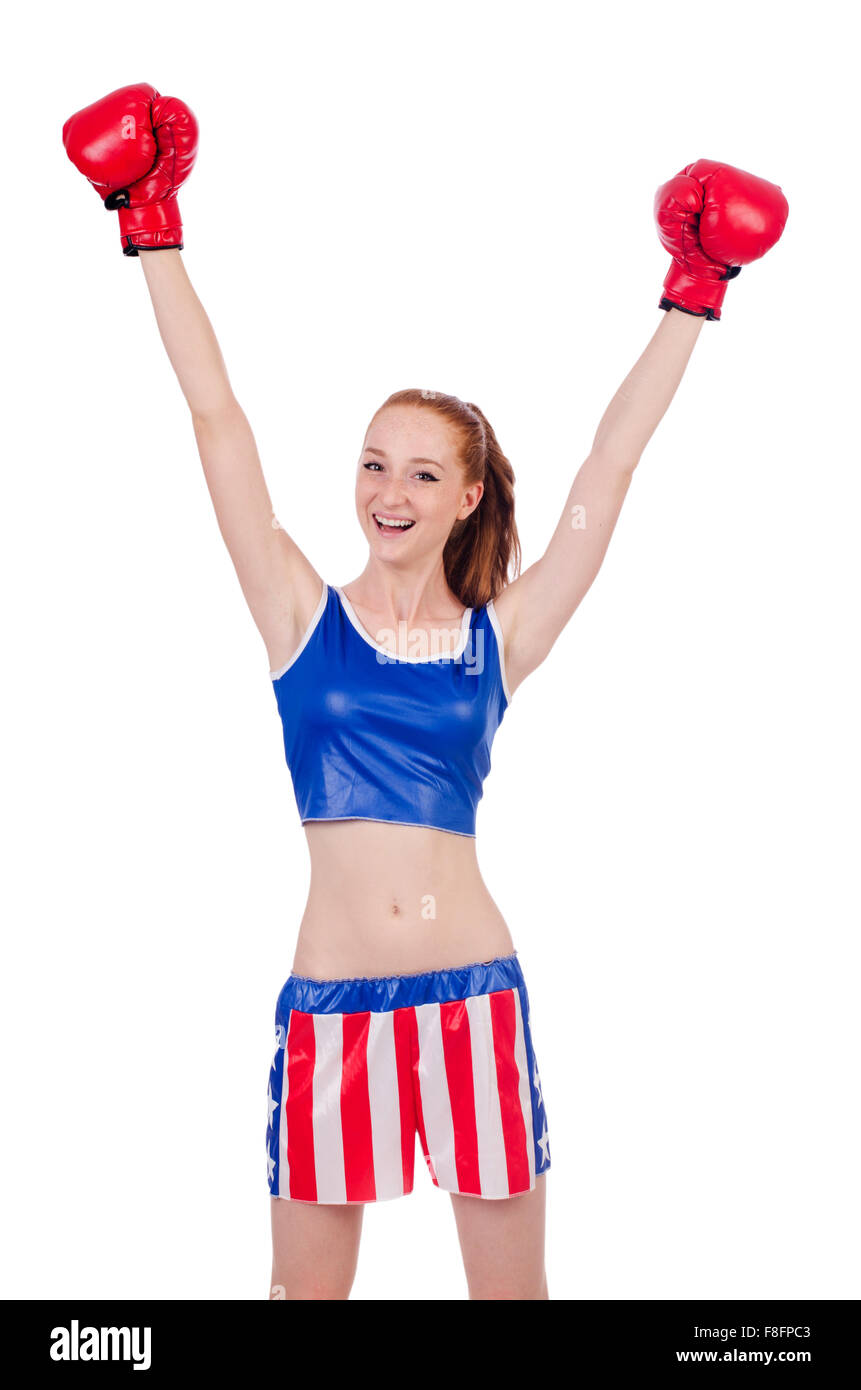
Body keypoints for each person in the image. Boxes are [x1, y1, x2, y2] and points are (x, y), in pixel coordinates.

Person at [63, 83, 789, 1301]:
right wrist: (152, 224)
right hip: (331, 1004)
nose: (385, 491)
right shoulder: (303, 620)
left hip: (475, 997)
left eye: (420, 472)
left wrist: (692, 294)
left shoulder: (498, 642)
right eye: (370, 464)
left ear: (465, 496)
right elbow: (217, 420)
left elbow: (607, 475)